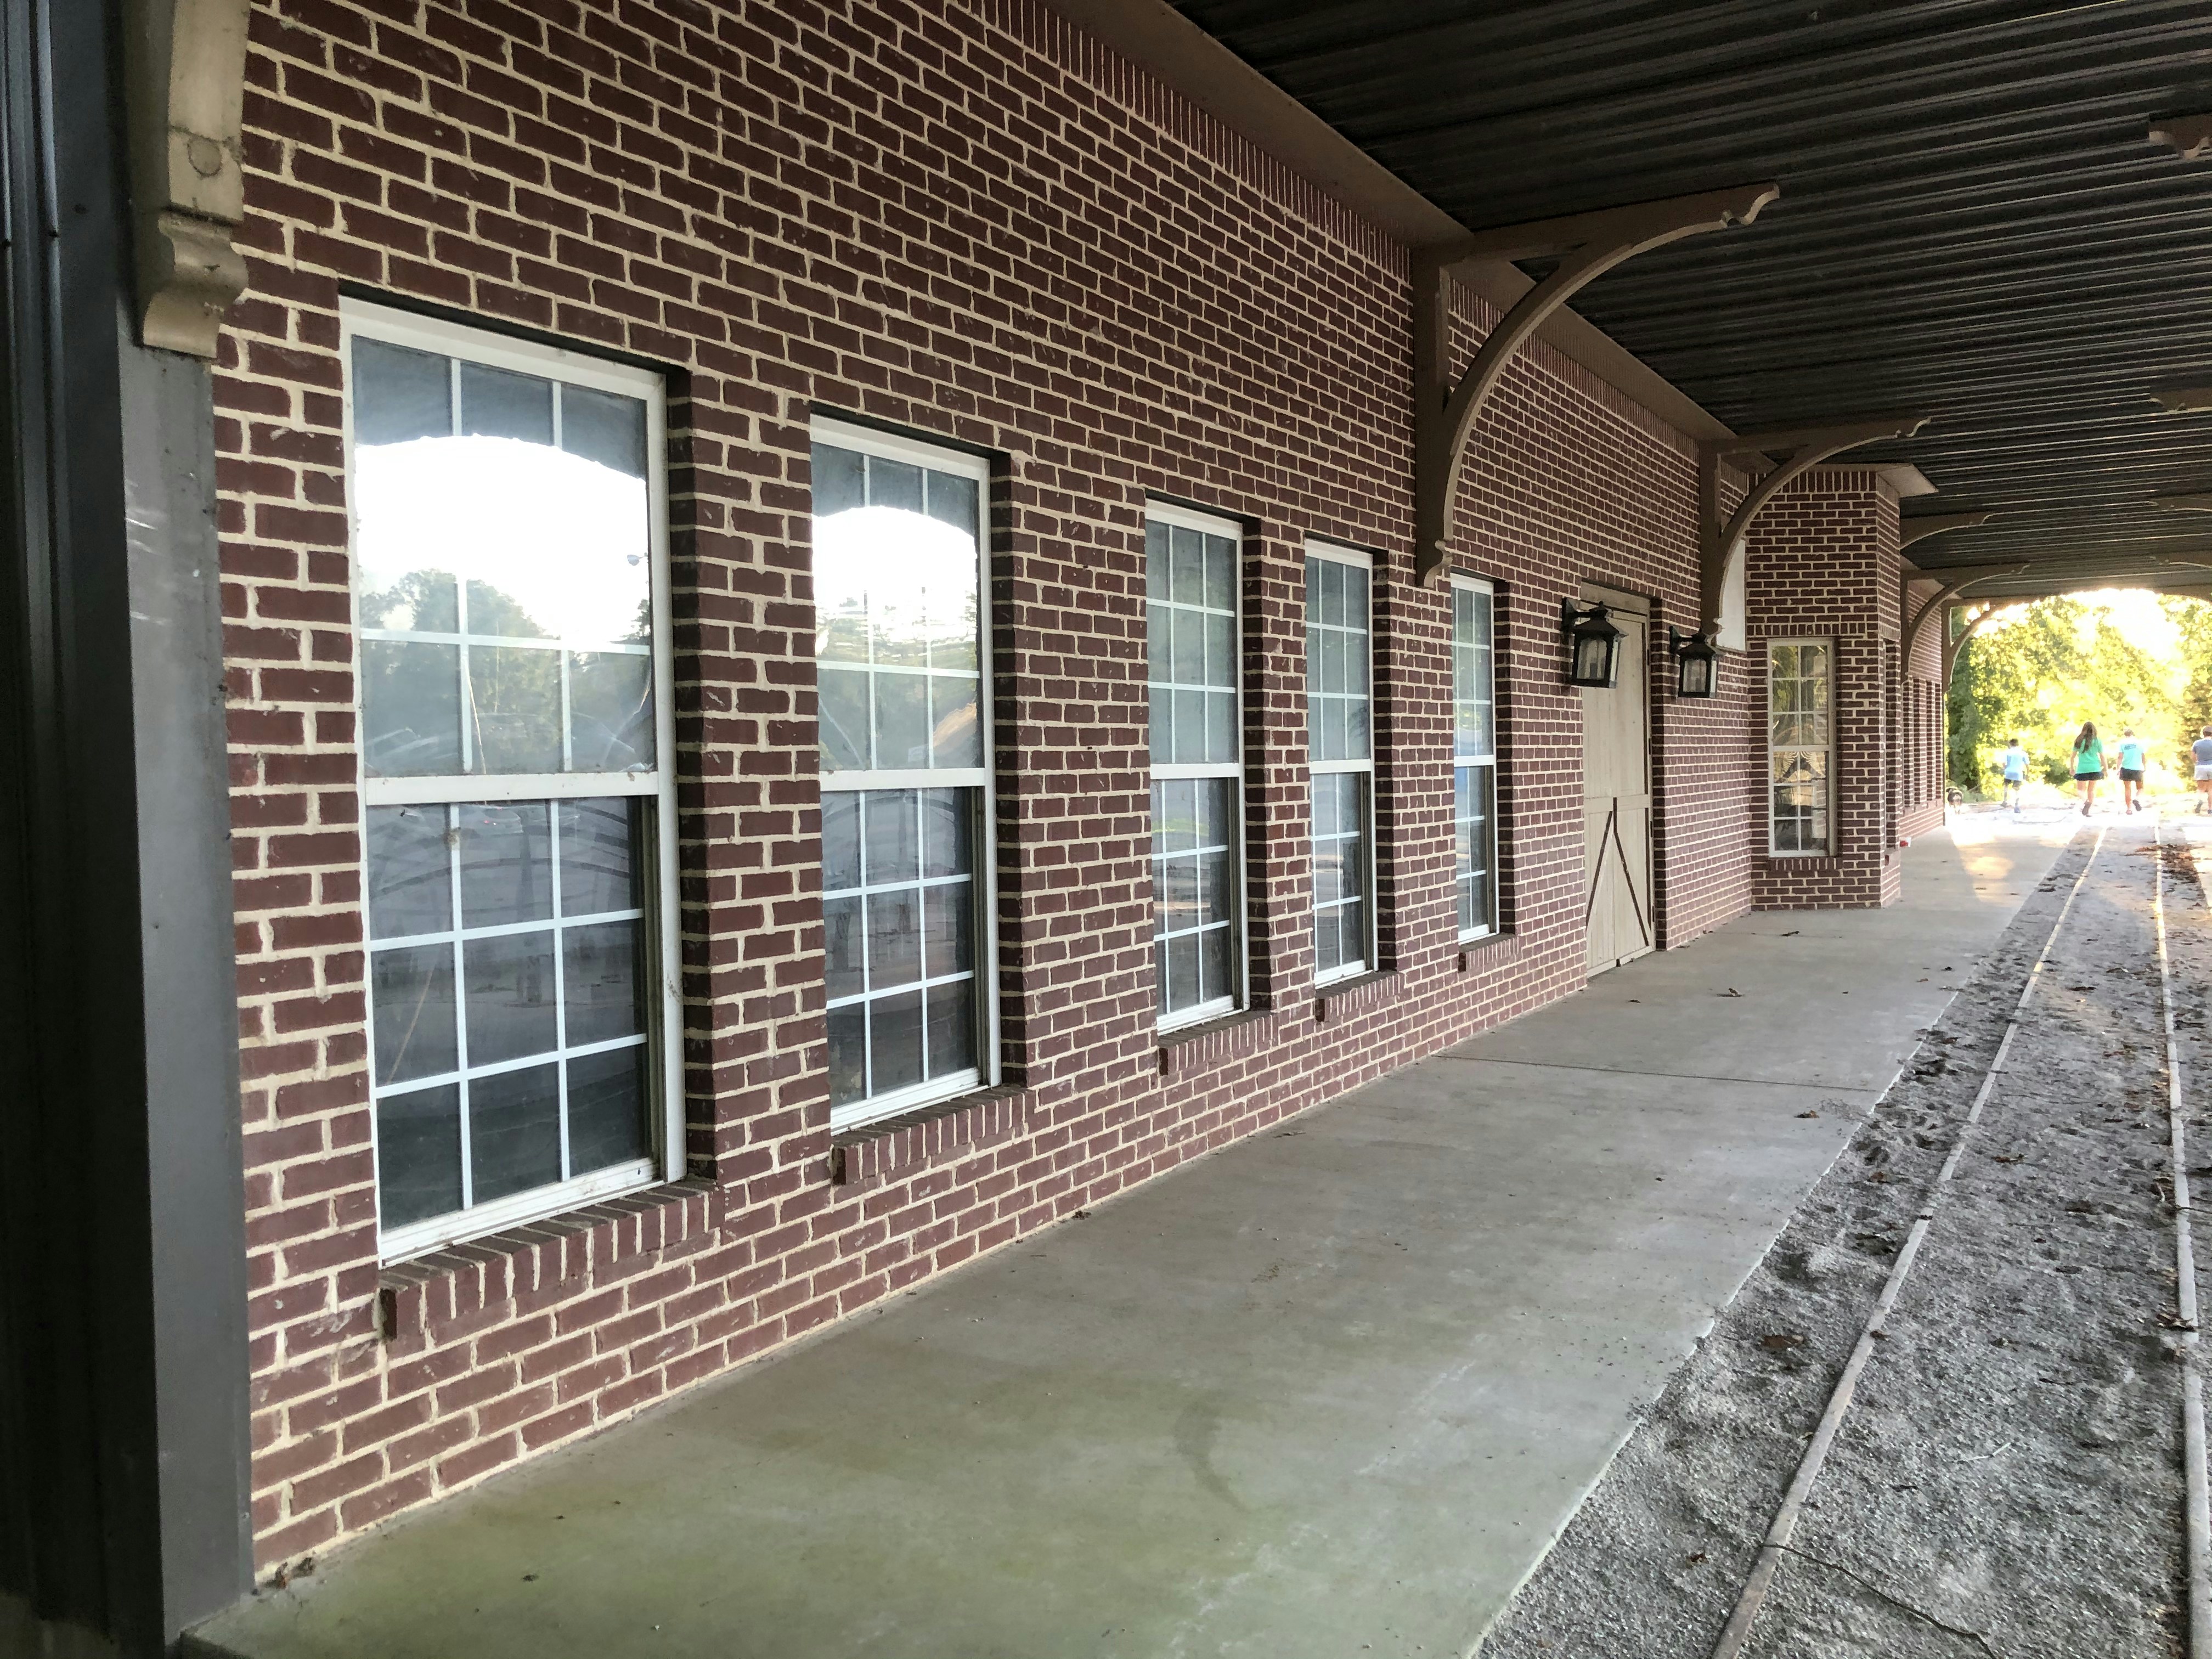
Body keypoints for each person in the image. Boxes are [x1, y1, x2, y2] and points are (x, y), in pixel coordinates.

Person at [2073, 721, 2105, 816]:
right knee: (2091, 790)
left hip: (2082, 768)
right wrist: (2105, 768)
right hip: (2095, 768)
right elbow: (2102, 756)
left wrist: (2071, 768)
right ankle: (2088, 811)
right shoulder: (2097, 741)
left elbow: (2073, 756)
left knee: (2080, 790)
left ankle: (2086, 801)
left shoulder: (2078, 741)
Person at [2118, 727, 2147, 814]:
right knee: (2140, 788)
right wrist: (2145, 766)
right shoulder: (2139, 743)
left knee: (2127, 789)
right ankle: (2136, 799)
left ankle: (2129, 809)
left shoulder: (2122, 743)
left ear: (2125, 734)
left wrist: (2118, 768)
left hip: (2126, 769)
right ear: (2133, 733)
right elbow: (2143, 755)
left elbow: (2120, 757)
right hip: (2138, 768)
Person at [1999, 737, 2029, 812]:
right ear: (2018, 744)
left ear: (2010, 744)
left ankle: (2005, 801)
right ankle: (2017, 805)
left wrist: (2005, 767)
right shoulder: (2023, 753)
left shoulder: (2008, 752)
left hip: (2009, 772)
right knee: (2017, 789)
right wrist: (2028, 774)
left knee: (2006, 785)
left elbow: (2003, 763)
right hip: (2018, 773)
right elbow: (2027, 765)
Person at [2196, 725, 2212, 815]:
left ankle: (2200, 801)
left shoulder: (2197, 743)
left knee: (2201, 788)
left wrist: (2197, 762)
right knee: (2211, 789)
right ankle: (2210, 809)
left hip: (2201, 766)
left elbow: (2193, 757)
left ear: (2203, 733)